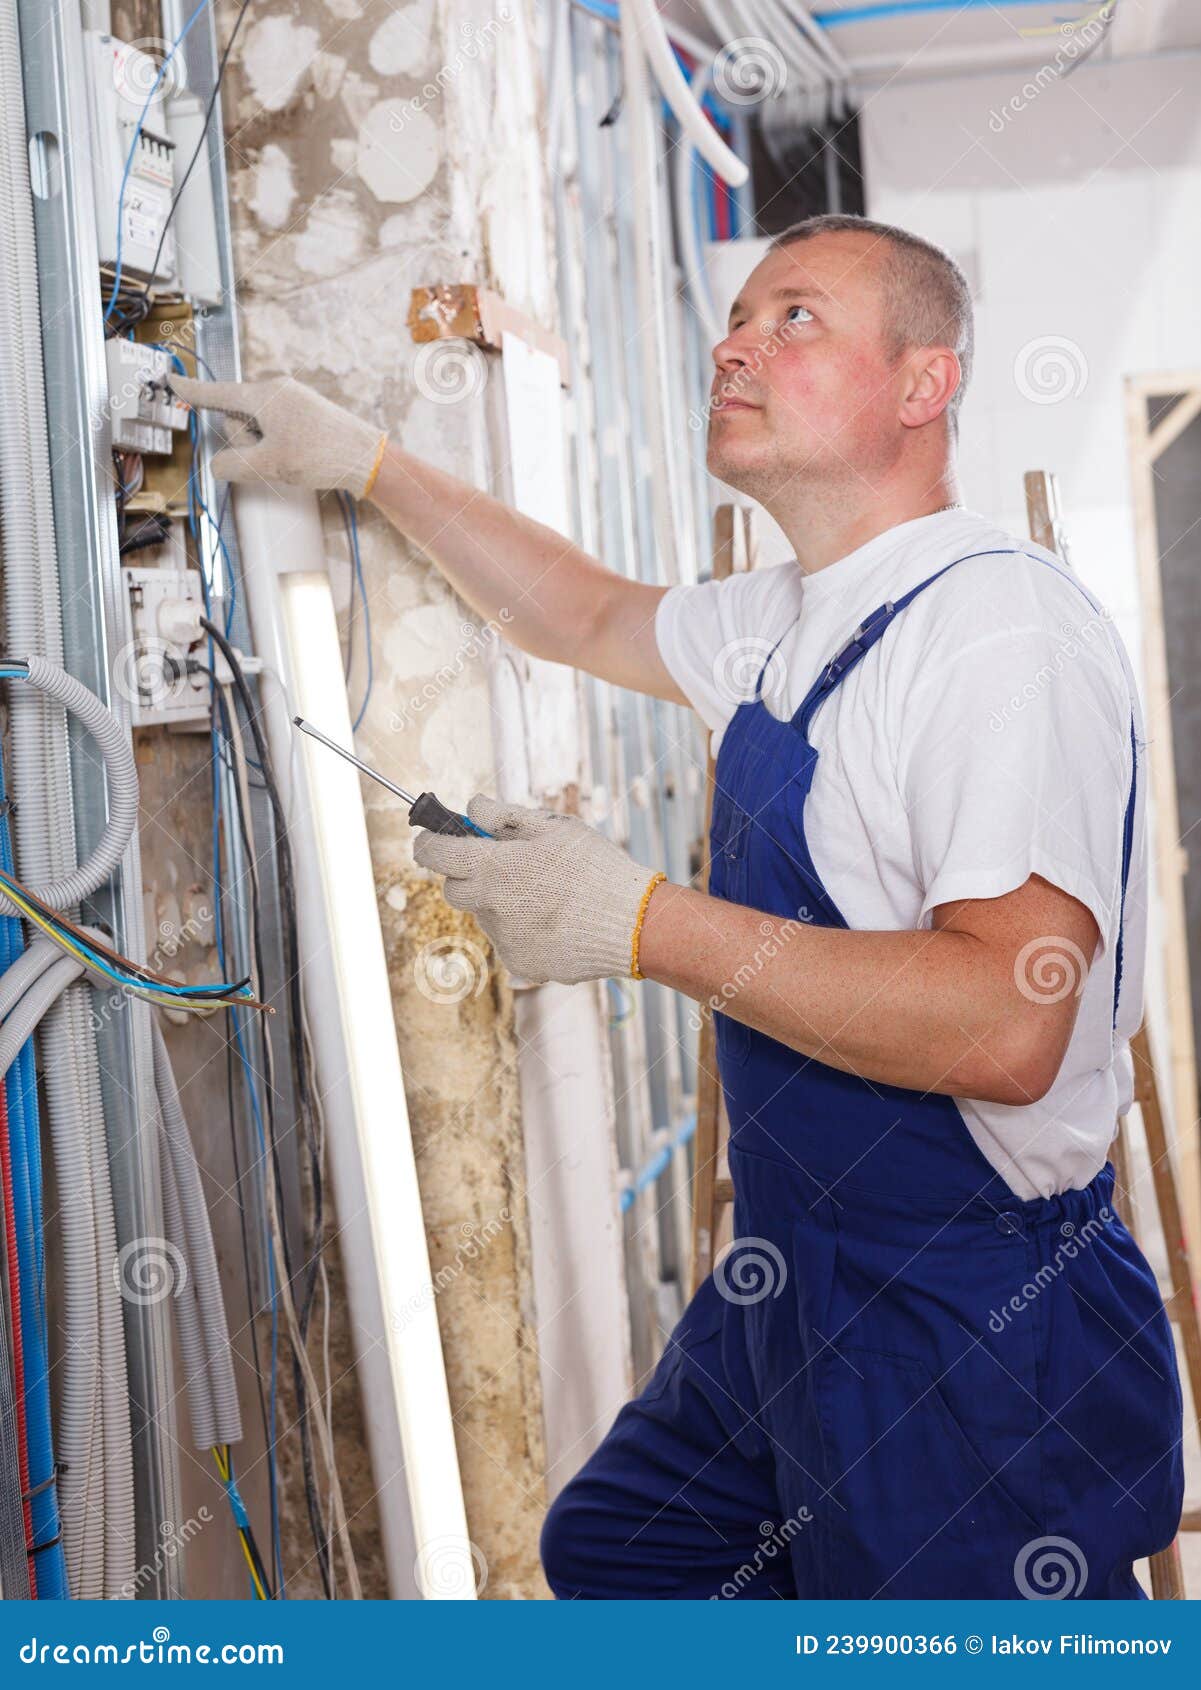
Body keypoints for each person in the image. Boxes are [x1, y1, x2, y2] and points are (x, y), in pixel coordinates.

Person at [175, 213, 1183, 1600]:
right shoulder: (780, 614)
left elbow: (1003, 1018)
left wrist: (639, 920)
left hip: (957, 1310)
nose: (736, 341)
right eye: (739, 314)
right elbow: (577, 615)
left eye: (796, 318)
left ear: (922, 382)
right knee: (627, 1549)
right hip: (797, 1268)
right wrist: (369, 464)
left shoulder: (989, 634)